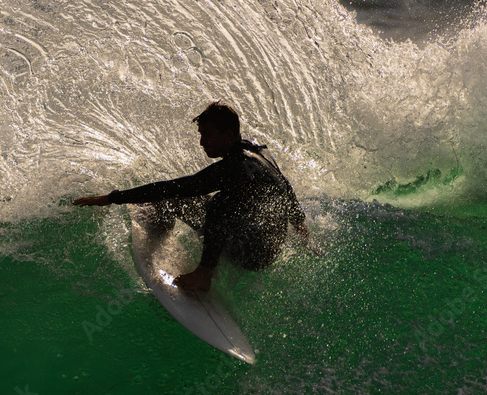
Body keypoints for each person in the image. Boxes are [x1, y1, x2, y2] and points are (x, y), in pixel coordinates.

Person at [73, 102, 316, 292]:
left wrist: (112, 198)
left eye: (208, 135)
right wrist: (301, 228)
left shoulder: (233, 168)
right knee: (213, 201)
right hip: (267, 247)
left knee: (213, 202)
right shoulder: (258, 151)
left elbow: (176, 188)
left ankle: (204, 274)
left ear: (229, 134)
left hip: (250, 253)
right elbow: (286, 188)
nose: (201, 142)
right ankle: (177, 232)